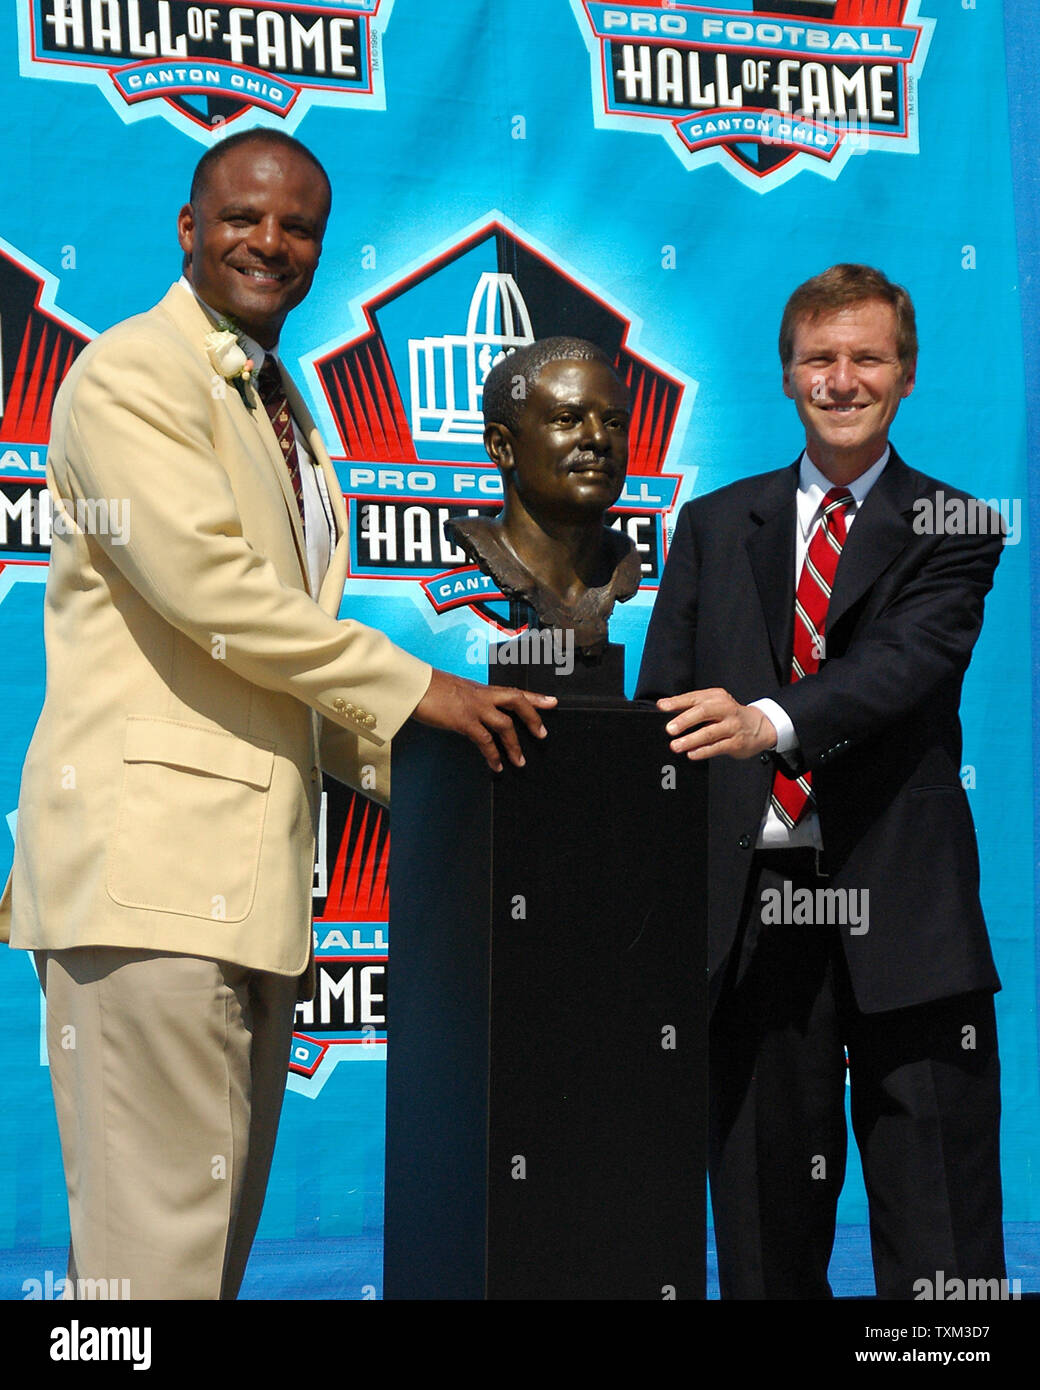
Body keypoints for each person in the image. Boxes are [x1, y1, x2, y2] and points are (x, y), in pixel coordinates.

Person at [0, 129, 553, 1300]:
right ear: (188, 229)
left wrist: (471, 773)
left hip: (241, 892)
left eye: (296, 226)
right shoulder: (133, 373)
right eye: (242, 217)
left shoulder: (280, 404)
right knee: (150, 1280)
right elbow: (212, 595)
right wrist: (424, 689)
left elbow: (279, 674)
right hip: (151, 887)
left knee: (199, 1262)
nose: (269, 241)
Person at [636, 264, 1005, 1299]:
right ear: (787, 374)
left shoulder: (956, 525)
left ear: (906, 374)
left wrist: (766, 722)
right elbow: (665, 710)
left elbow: (900, 669)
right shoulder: (712, 526)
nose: (841, 379)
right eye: (818, 359)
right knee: (761, 1237)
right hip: (752, 932)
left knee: (938, 1241)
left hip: (908, 926)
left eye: (866, 358)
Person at [447, 337, 640, 654]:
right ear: (502, 447)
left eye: (615, 423)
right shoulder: (484, 541)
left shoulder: (622, 561)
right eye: (567, 419)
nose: (599, 438)